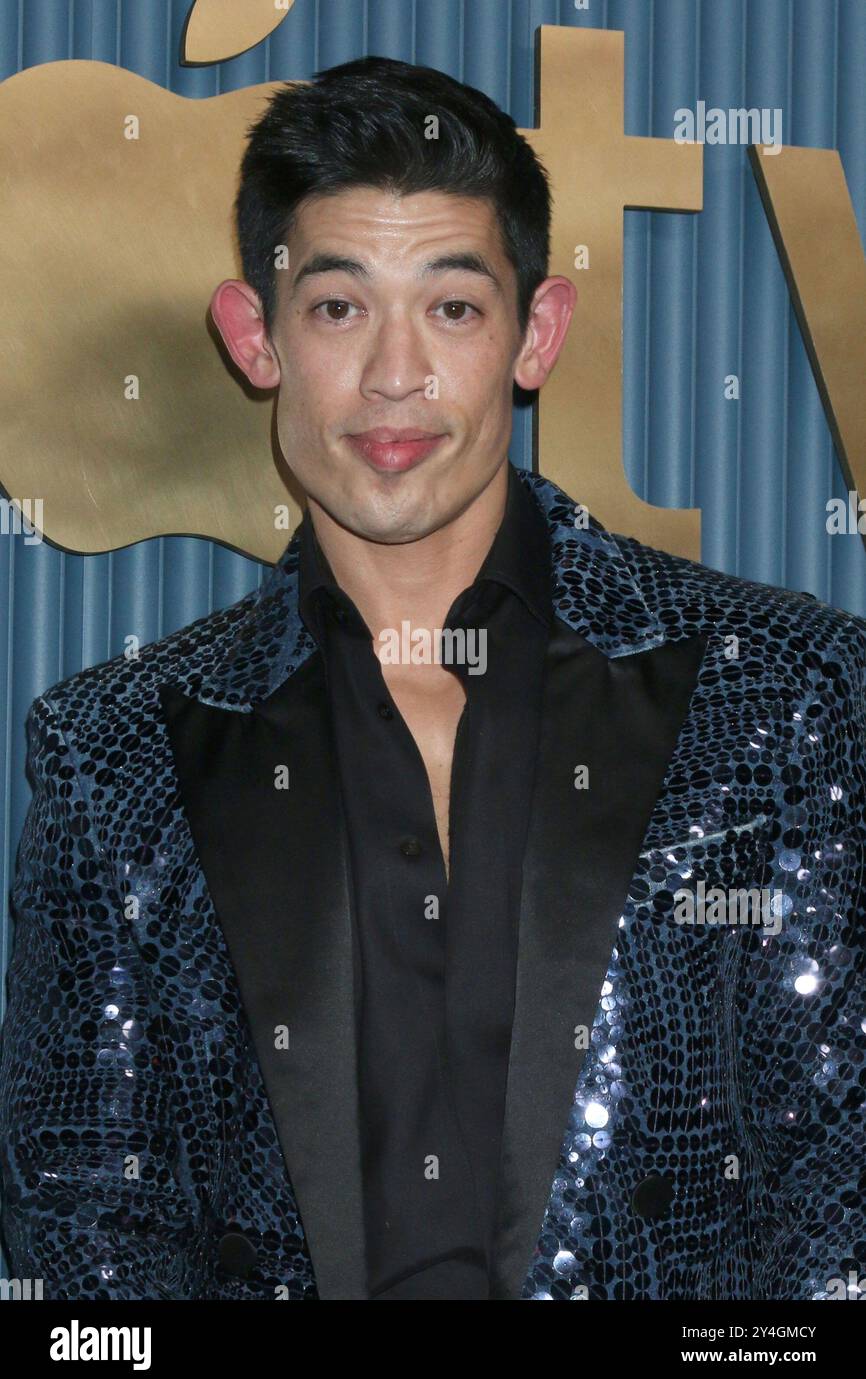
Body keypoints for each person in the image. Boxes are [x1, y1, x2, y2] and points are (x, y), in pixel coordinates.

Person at [0, 54, 864, 1302]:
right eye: (338, 308)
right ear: (256, 338)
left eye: (452, 308)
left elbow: (836, 1198)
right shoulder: (111, 752)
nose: (395, 375)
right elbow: (89, 1238)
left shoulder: (784, 694)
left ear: (536, 334)